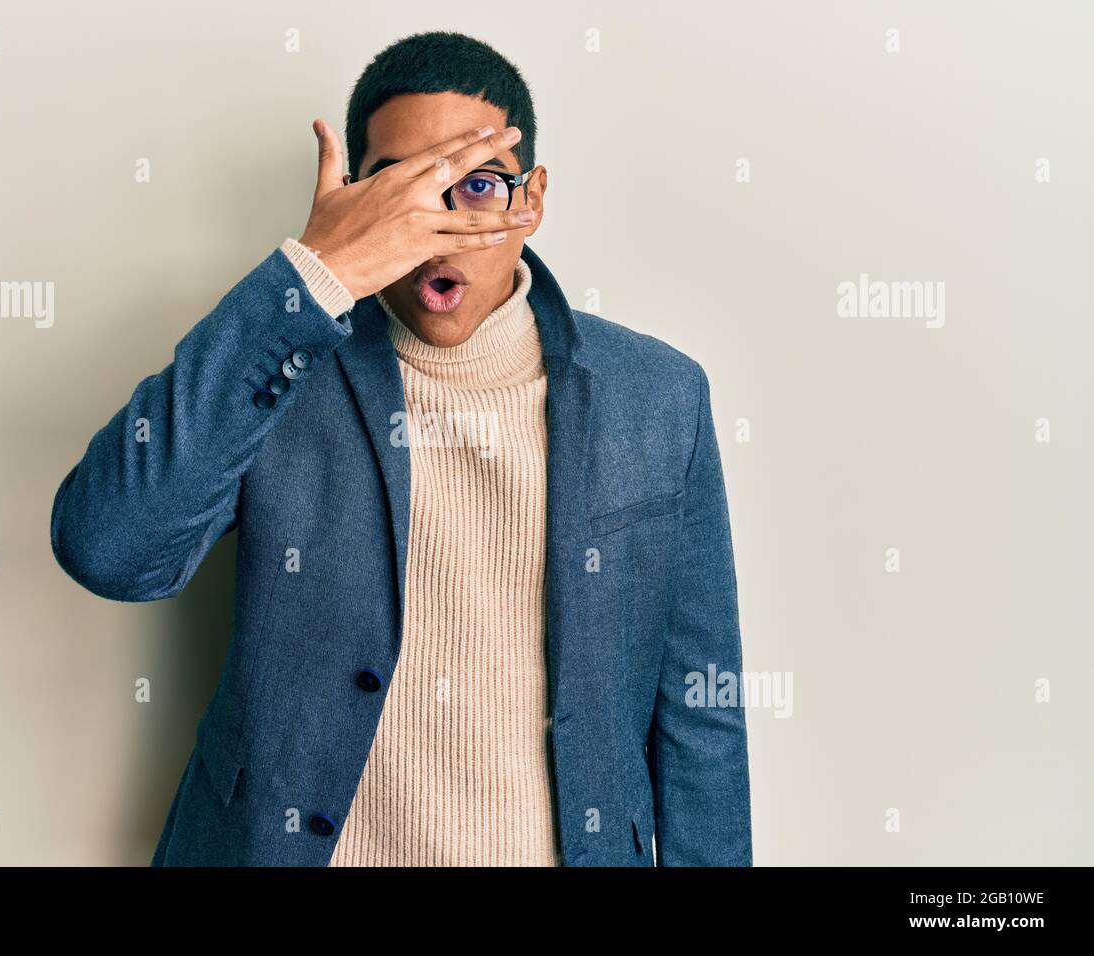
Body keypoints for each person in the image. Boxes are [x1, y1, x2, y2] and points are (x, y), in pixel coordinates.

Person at [50, 30, 752, 867]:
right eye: (401, 192)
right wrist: (313, 275)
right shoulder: (282, 370)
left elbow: (700, 715)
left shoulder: (659, 395)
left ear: (531, 201)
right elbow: (109, 548)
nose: (438, 227)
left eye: (477, 186)